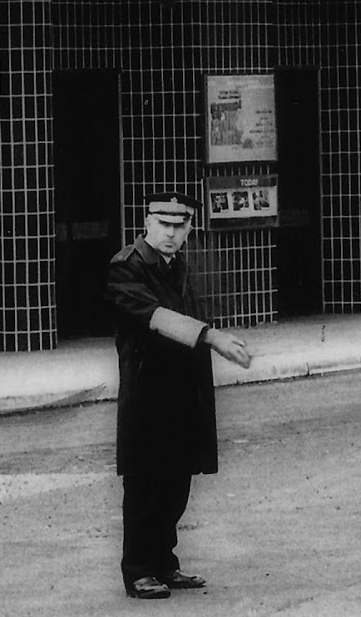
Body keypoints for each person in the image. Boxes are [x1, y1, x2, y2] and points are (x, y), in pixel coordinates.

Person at [106, 189, 253, 600]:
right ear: (147, 222)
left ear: (189, 227)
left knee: (176, 481)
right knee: (145, 484)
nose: (171, 233)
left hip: (181, 388)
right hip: (148, 389)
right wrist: (211, 337)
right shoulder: (127, 266)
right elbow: (153, 317)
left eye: (180, 225)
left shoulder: (178, 265)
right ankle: (138, 570)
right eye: (163, 224)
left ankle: (164, 563)